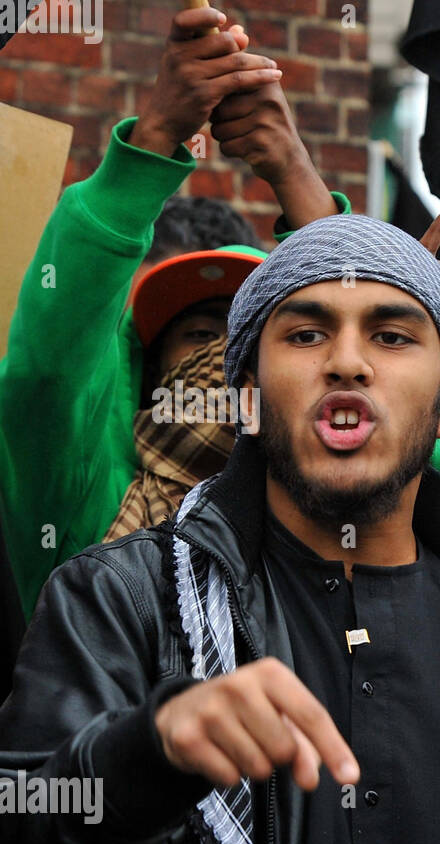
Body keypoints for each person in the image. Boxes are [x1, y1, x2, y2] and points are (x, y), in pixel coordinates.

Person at [0, 214, 440, 844]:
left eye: (392, 333)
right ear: (243, 391)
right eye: (305, 333)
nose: (346, 362)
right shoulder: (122, 602)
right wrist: (142, 757)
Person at [0, 4, 347, 621]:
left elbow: (392, 425)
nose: (223, 358)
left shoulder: (335, 502)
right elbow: (49, 371)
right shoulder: (88, 497)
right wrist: (156, 133)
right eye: (198, 334)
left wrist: (295, 172)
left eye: (247, 334)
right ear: (148, 364)